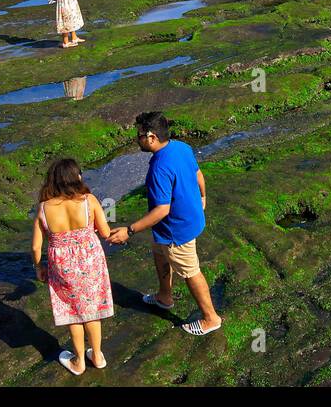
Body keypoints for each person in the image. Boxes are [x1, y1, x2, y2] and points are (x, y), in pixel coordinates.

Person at [108, 111, 222, 337]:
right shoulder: (181, 147)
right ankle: (164, 296)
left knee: (190, 272)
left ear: (151, 137)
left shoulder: (159, 168)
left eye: (138, 135)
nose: (136, 139)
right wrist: (203, 197)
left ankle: (211, 318)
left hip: (176, 229)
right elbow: (199, 174)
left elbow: (162, 209)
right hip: (180, 222)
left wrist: (129, 231)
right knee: (159, 253)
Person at [32, 158, 113, 375]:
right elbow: (105, 233)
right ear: (75, 177)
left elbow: (35, 246)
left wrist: (39, 267)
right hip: (90, 260)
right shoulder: (89, 200)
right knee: (92, 311)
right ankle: (96, 355)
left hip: (61, 264)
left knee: (72, 311)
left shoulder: (43, 208)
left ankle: (79, 361)